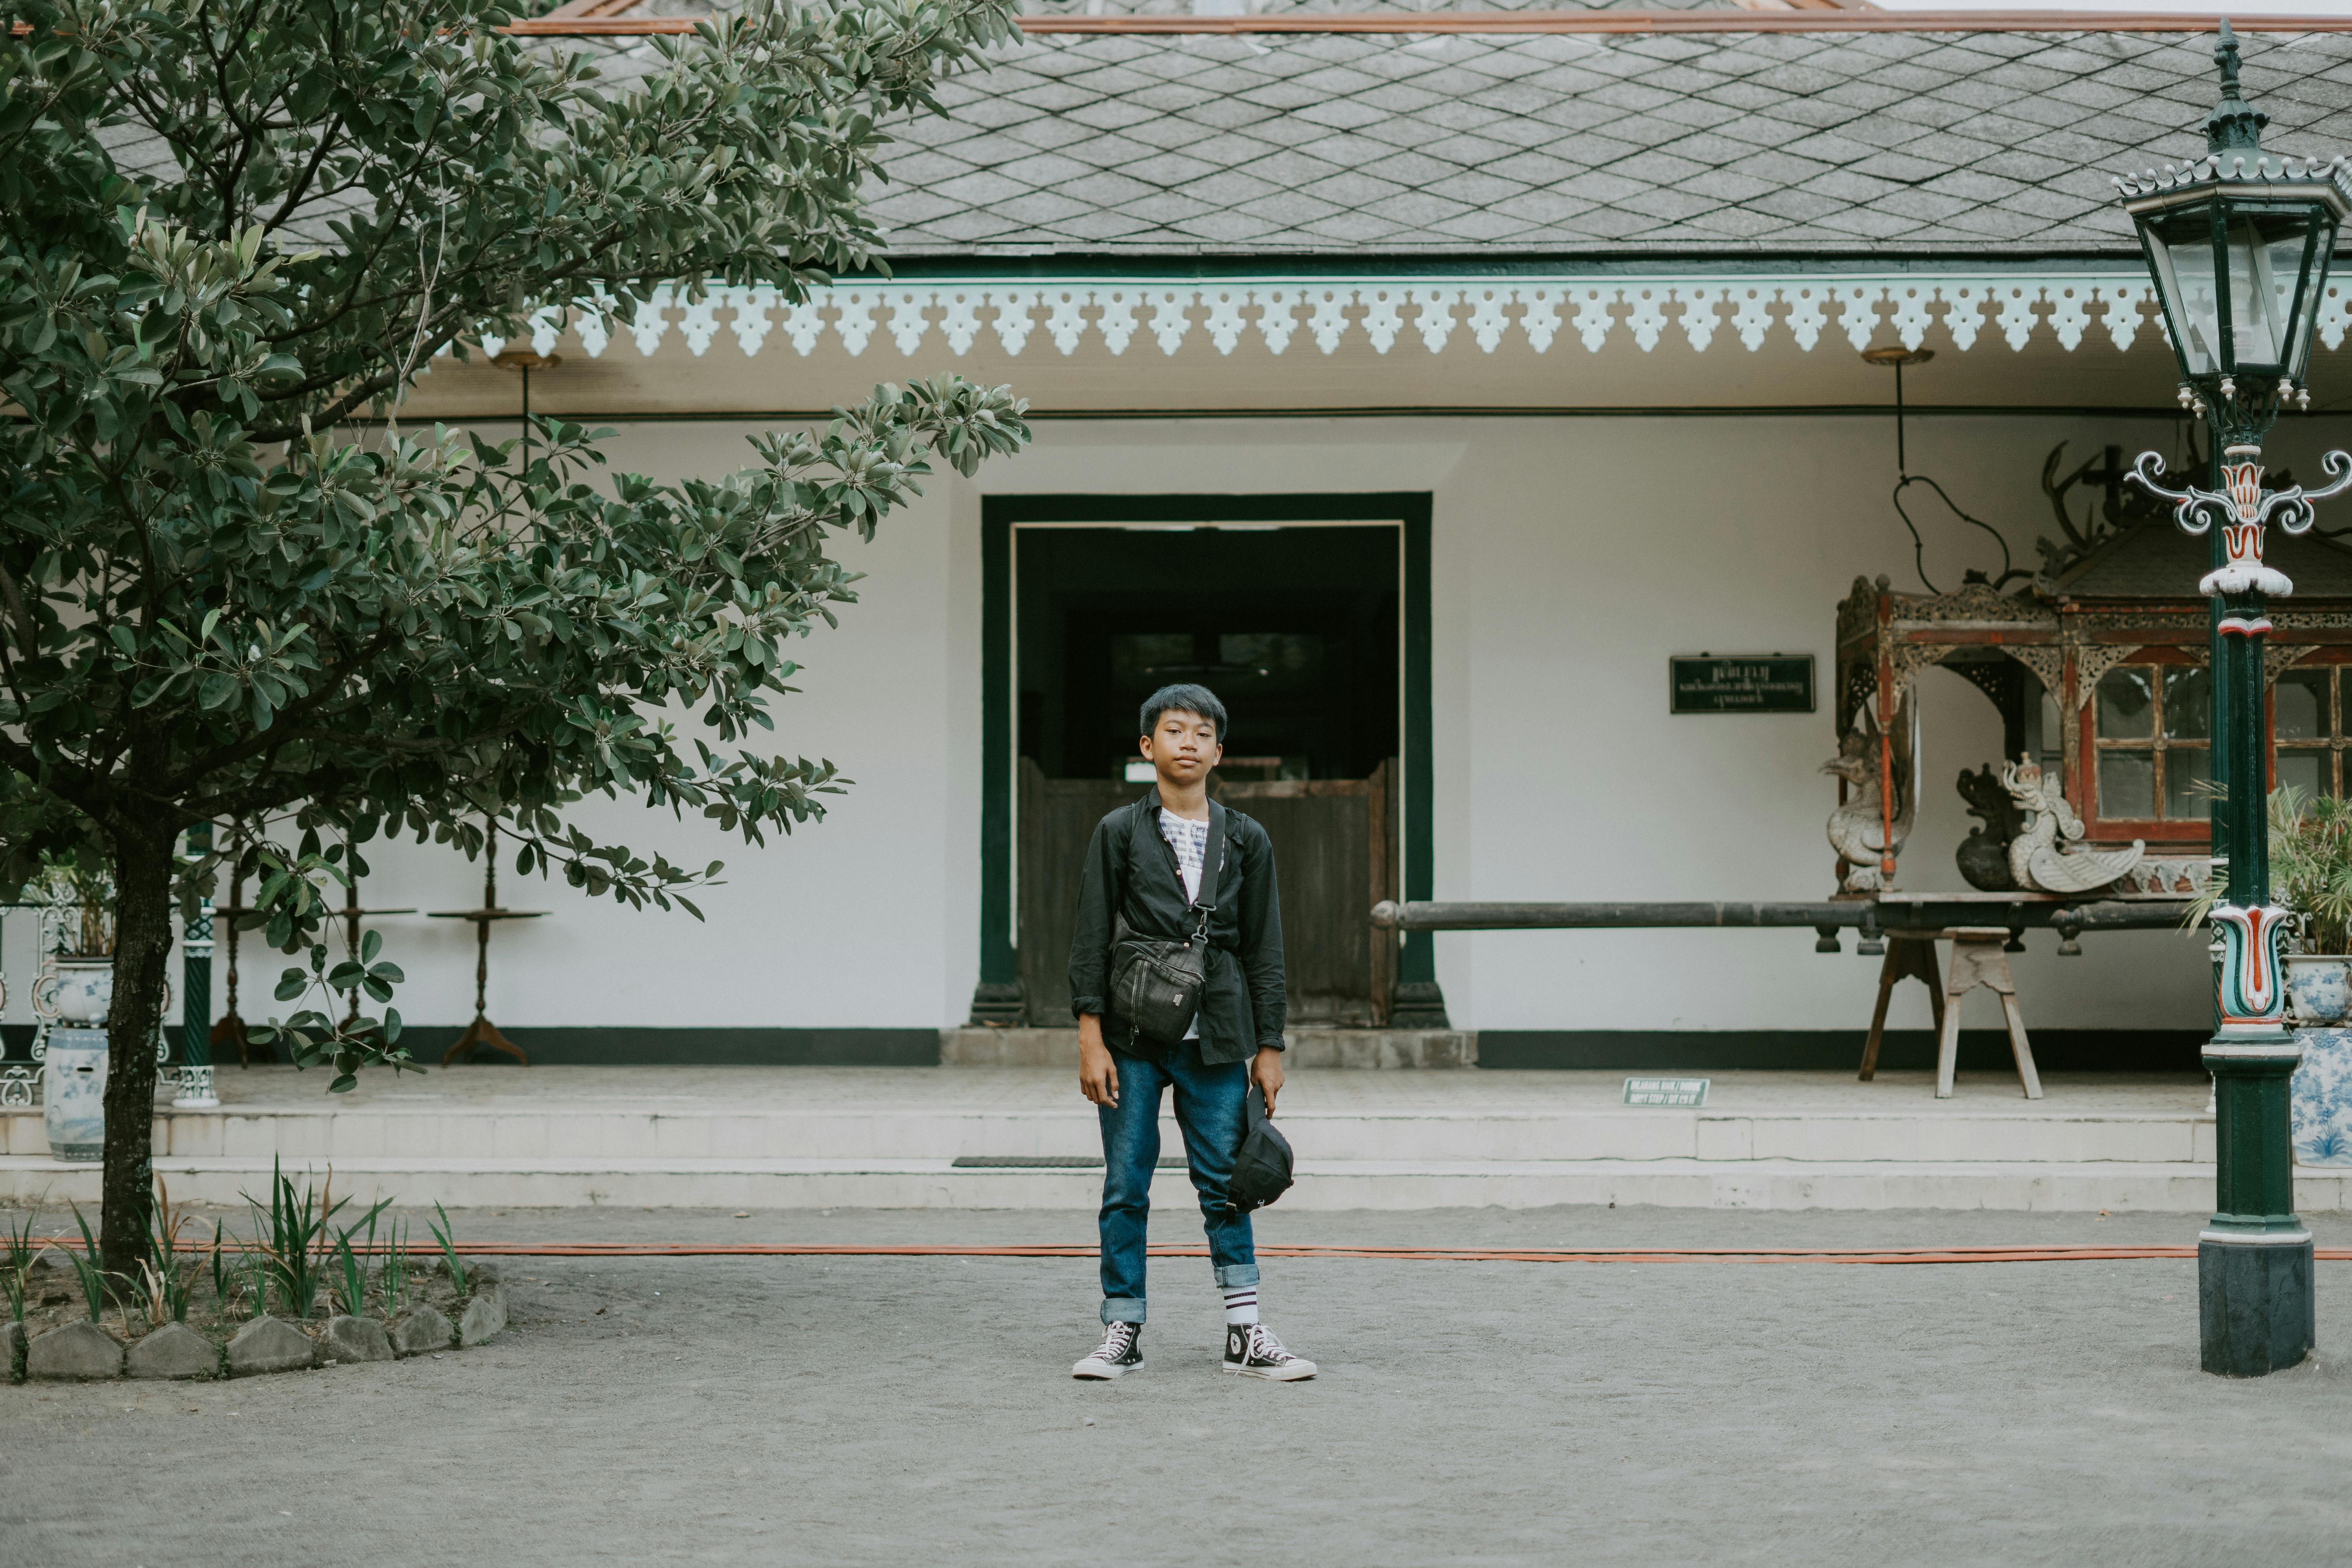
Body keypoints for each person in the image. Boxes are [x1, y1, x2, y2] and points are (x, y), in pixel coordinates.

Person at [1064, 683, 1316, 1382]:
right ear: (1148, 747)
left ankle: (1245, 1332)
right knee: (1126, 1181)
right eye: (1174, 731)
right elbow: (1090, 934)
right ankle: (1122, 1328)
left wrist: (1271, 1047)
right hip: (1132, 1033)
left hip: (1219, 1036)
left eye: (1202, 733)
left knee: (1227, 1185)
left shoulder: (1247, 838)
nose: (1188, 743)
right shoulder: (1119, 830)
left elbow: (1266, 948)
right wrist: (1090, 1037)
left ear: (1219, 751)